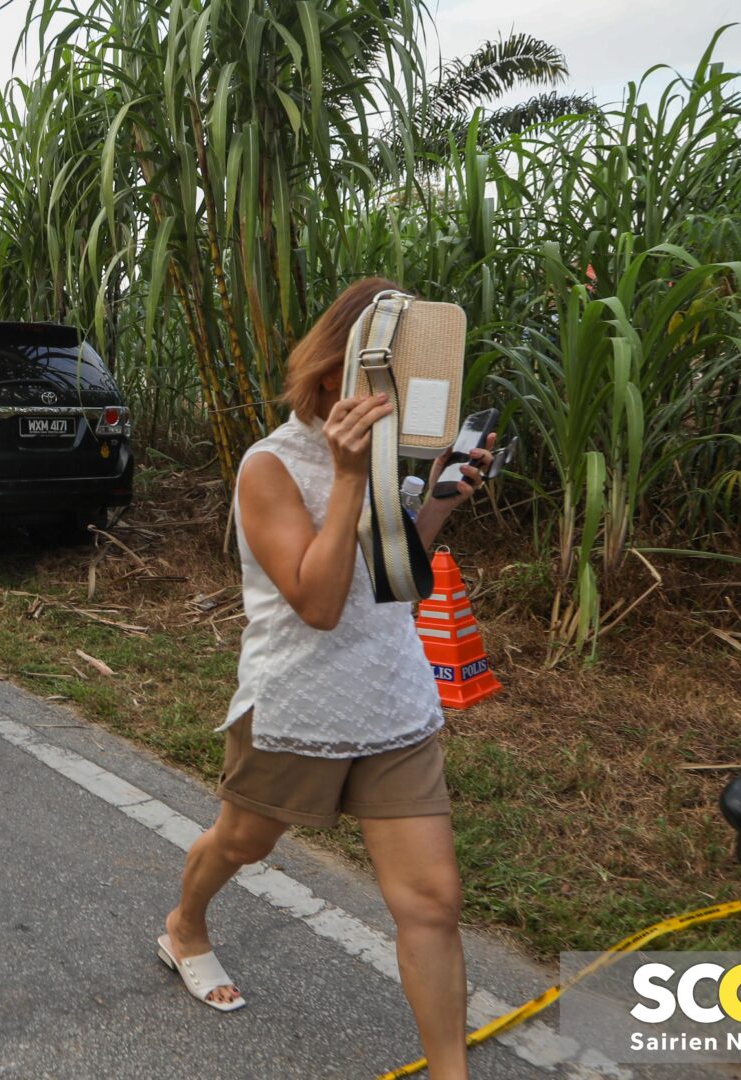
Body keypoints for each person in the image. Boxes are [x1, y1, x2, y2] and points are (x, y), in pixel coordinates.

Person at [154, 279, 491, 1080]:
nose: (402, 398)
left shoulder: (400, 453)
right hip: (300, 703)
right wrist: (346, 477)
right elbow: (316, 599)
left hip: (393, 701)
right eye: (390, 376)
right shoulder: (270, 465)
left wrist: (439, 501)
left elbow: (394, 579)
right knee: (244, 840)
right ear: (343, 367)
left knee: (433, 903)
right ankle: (184, 926)